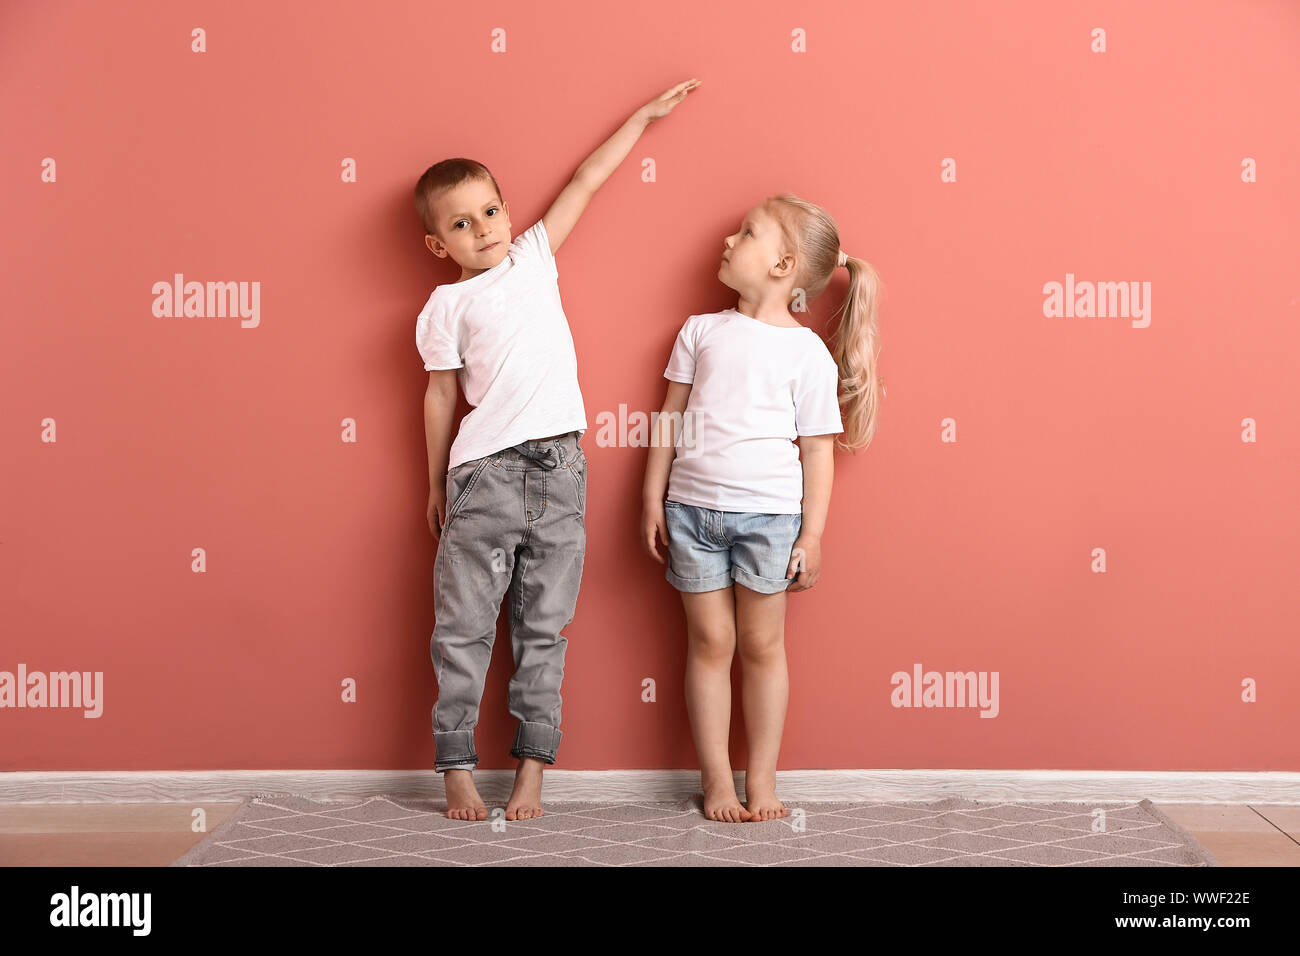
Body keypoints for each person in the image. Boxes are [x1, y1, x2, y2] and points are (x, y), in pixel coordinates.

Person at [414, 79, 702, 821]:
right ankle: (455, 768)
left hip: (562, 469)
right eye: (461, 223)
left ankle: (532, 770)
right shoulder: (447, 305)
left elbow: (587, 180)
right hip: (483, 474)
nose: (483, 229)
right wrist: (436, 481)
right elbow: (442, 395)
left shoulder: (536, 256)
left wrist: (640, 119)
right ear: (437, 244)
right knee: (464, 629)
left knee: (544, 628)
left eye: (490, 210)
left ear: (508, 213)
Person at [641, 194, 885, 821]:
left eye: (746, 232)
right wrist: (651, 498)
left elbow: (818, 451)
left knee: (761, 644)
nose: (728, 237)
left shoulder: (806, 354)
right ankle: (717, 782)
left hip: (771, 522)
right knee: (709, 640)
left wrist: (814, 535)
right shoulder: (700, 331)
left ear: (782, 265)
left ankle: (764, 782)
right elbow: (668, 423)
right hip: (692, 513)